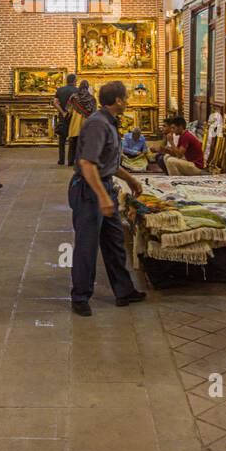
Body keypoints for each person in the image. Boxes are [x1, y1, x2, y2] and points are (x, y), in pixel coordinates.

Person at [68, 80, 146, 316]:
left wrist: (130, 179)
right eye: (126, 98)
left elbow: (107, 161)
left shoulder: (109, 123)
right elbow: (87, 164)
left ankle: (124, 291)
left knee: (114, 242)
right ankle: (80, 296)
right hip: (89, 192)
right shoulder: (97, 125)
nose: (128, 101)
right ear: (118, 101)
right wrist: (102, 197)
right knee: (87, 246)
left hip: (103, 188)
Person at [65, 79, 95, 165]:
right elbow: (93, 113)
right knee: (84, 144)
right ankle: (83, 162)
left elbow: (68, 110)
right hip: (86, 125)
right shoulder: (92, 99)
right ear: (87, 87)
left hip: (75, 124)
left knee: (72, 144)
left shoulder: (73, 97)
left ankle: (71, 162)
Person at [54, 72, 77, 165]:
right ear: (75, 81)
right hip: (73, 118)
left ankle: (61, 160)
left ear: (66, 81)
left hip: (63, 117)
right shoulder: (77, 90)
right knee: (72, 140)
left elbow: (55, 103)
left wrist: (63, 112)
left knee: (62, 140)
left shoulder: (60, 90)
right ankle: (71, 161)